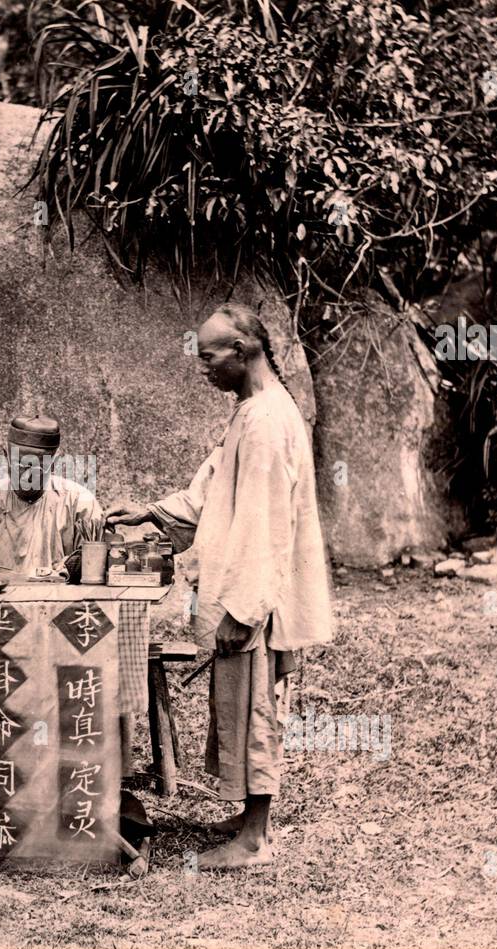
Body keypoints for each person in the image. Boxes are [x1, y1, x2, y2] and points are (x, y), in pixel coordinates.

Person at [106, 303, 333, 869]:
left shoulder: (265, 421)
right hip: (251, 594)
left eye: (208, 356)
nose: (202, 367)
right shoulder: (251, 411)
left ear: (243, 352)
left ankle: (254, 839)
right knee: (244, 704)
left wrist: (244, 609)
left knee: (258, 710)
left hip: (258, 599)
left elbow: (266, 525)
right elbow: (209, 492)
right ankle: (250, 819)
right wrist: (150, 513)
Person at [0, 415, 104, 576]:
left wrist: (73, 567)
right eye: (20, 465)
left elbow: (97, 567)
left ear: (54, 462)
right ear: (6, 455)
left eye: (38, 468)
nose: (27, 476)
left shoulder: (79, 502)